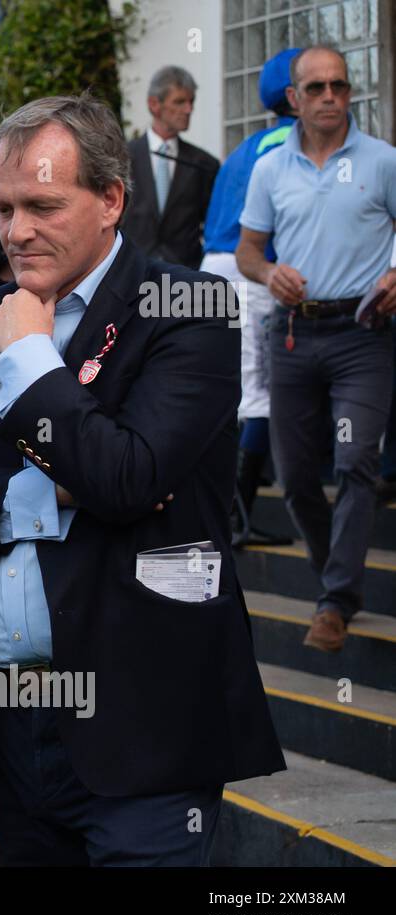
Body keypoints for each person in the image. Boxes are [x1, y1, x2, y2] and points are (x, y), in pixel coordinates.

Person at [0, 94, 284, 866]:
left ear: (111, 199)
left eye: (42, 205)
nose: (15, 231)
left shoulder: (189, 308)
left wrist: (33, 362)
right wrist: (47, 494)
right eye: (5, 208)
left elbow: (125, 478)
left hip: (148, 719)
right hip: (12, 718)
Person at [236, 46, 396, 653]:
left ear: (349, 94)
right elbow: (249, 250)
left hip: (363, 333)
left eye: (340, 86)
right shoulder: (270, 169)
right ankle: (336, 576)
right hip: (294, 334)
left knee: (356, 461)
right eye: (318, 88)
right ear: (295, 100)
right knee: (299, 475)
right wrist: (267, 271)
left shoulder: (383, 162)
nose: (331, 96)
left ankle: (334, 601)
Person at [202, 48, 300, 549]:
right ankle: (235, 518)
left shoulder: (244, 147)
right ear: (293, 93)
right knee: (260, 395)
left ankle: (230, 514)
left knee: (233, 396)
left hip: (211, 272)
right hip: (249, 277)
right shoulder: (296, 143)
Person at [120, 65, 219, 268]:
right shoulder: (121, 157)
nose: (189, 109)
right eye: (180, 102)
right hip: (131, 272)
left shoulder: (204, 164)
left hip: (185, 276)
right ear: (154, 104)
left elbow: (213, 224)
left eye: (191, 102)